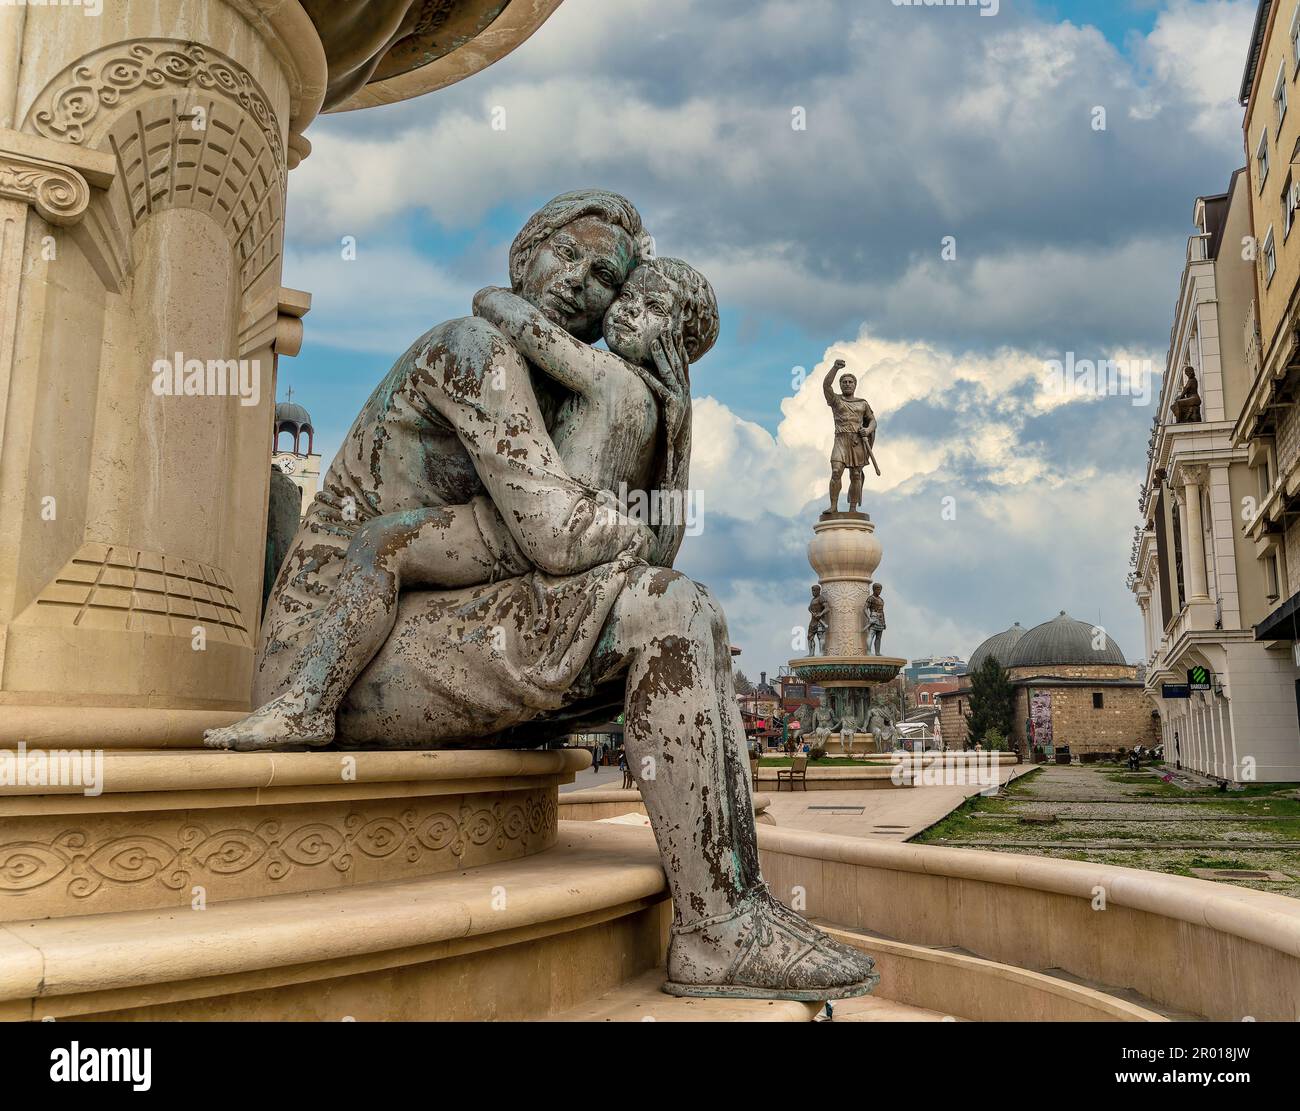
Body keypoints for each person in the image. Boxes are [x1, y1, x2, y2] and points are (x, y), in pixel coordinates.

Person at [206, 190, 877, 1002]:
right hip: (336, 649)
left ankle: (738, 907)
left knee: (680, 600)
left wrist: (677, 415)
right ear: (526, 250)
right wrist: (623, 536)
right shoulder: (473, 350)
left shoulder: (570, 391)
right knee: (669, 607)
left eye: (604, 279)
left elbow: (650, 544)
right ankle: (718, 929)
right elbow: (560, 535)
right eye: (569, 256)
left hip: (425, 616)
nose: (579, 285)